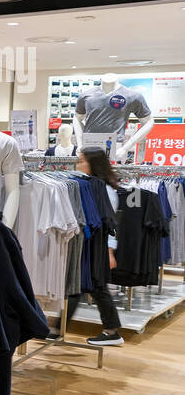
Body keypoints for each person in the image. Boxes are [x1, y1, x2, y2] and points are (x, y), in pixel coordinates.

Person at [71, 147, 124, 347]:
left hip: (97, 246)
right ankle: (57, 328)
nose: (78, 164)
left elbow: (108, 223)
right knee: (86, 284)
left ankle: (112, 331)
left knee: (95, 285)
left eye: (82, 161)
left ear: (93, 163)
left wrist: (109, 252)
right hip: (90, 244)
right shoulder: (88, 185)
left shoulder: (105, 189)